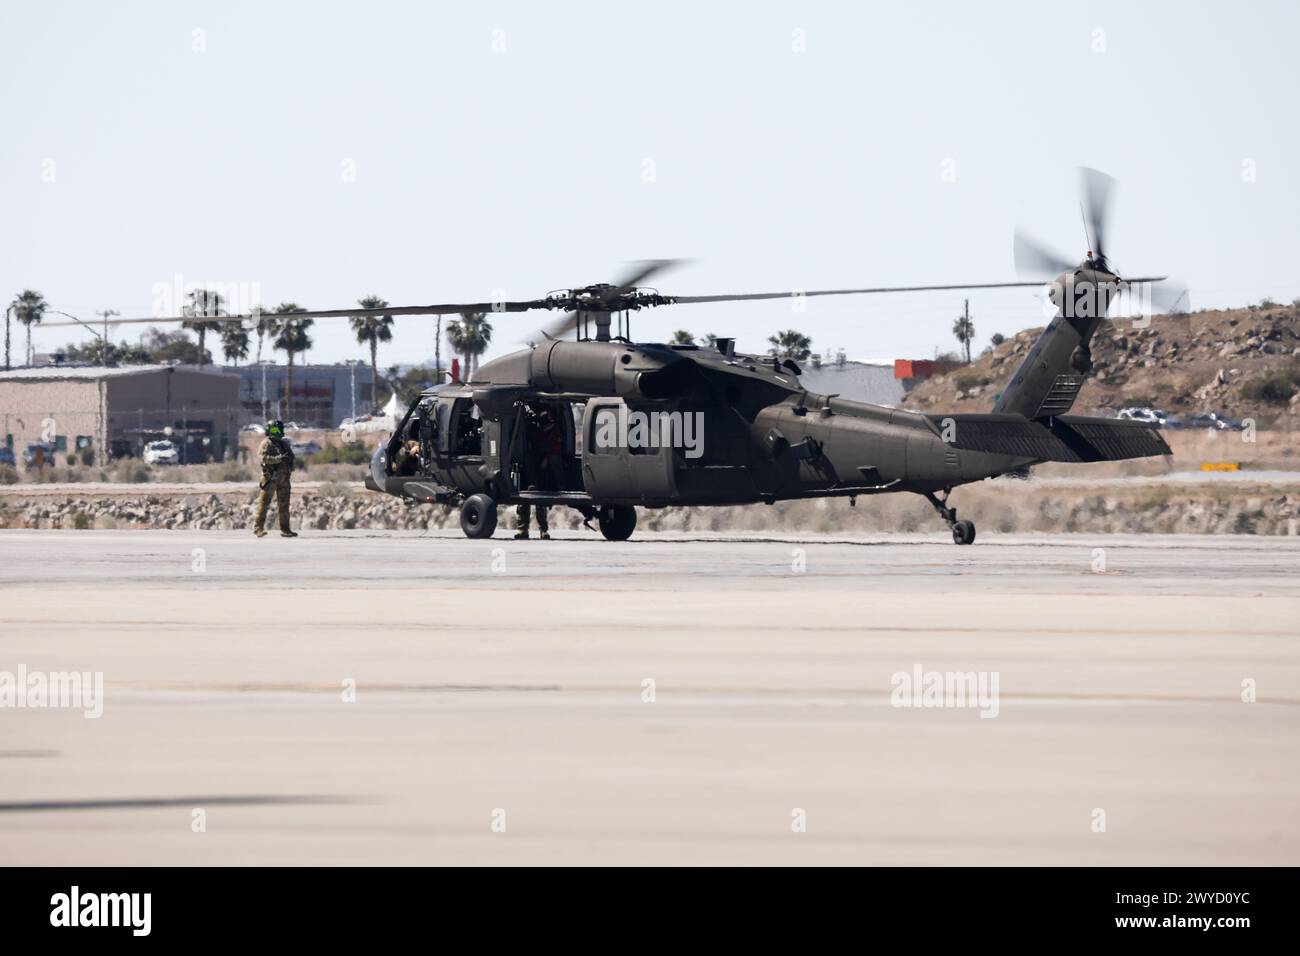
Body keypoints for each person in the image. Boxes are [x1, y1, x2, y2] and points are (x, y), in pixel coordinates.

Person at [515, 406, 565, 540]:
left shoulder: (547, 418)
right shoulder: (531, 423)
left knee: (540, 500)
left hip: (544, 463)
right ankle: (523, 529)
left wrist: (547, 459)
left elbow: (555, 443)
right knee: (525, 498)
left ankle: (543, 530)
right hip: (532, 462)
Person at [254, 420, 297, 538]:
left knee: (284, 505)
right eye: (274, 430)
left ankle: (285, 529)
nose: (276, 432)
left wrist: (290, 463)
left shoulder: (284, 444)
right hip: (270, 479)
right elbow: (263, 458)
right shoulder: (266, 443)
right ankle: (258, 529)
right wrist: (278, 459)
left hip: (284, 479)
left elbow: (291, 457)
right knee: (264, 504)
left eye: (278, 430)